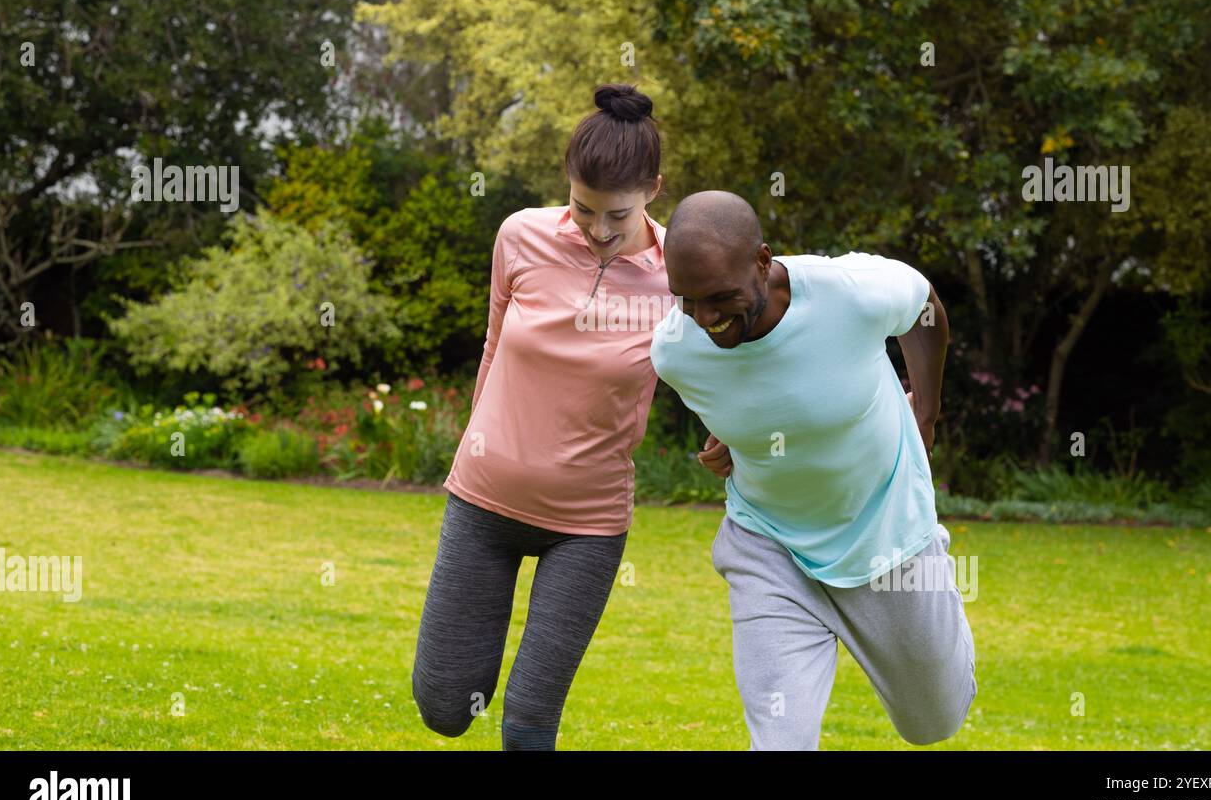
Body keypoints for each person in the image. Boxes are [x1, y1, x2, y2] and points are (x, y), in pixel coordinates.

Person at [650, 190, 976, 750]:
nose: (705, 319)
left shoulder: (850, 294)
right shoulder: (677, 352)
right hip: (770, 550)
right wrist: (728, 437)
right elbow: (753, 398)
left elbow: (926, 308)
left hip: (886, 539)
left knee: (933, 724)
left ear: (761, 260)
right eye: (687, 299)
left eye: (720, 297)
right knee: (780, 741)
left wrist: (925, 409)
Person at [412, 83, 673, 750]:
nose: (599, 229)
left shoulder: (679, 273)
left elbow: (718, 372)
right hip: (484, 499)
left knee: (529, 722)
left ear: (655, 190)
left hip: (585, 525)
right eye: (584, 209)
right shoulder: (520, 236)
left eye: (618, 214)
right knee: (444, 704)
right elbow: (495, 346)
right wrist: (476, 445)